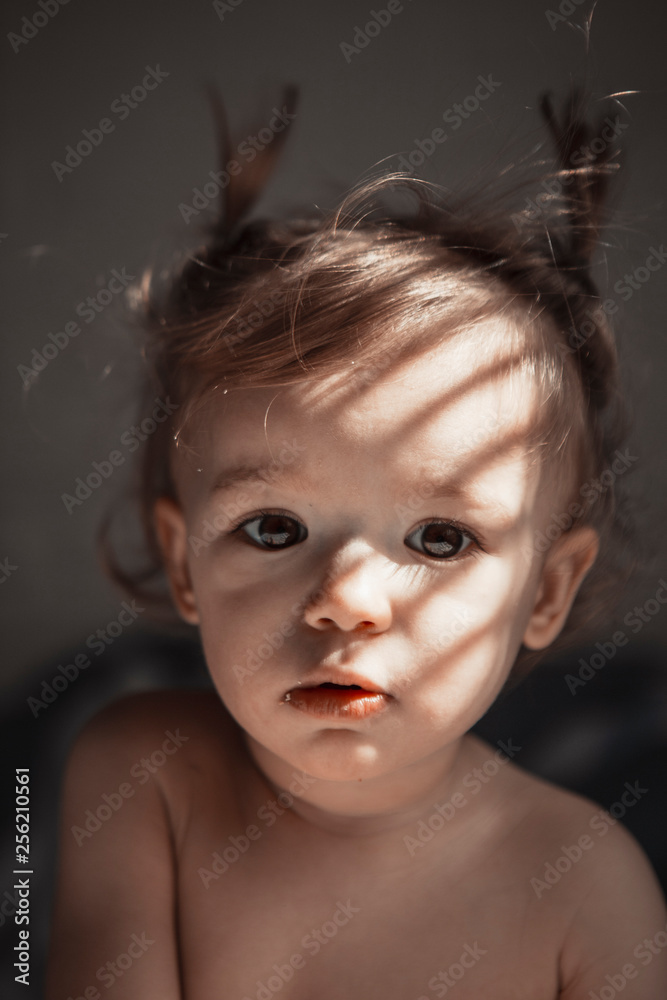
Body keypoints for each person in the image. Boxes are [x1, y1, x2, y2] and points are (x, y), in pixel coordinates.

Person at [46, 85, 667, 999]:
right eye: (273, 528)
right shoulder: (140, 773)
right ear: (184, 564)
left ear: (544, 593)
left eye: (441, 538)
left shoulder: (586, 889)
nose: (347, 597)